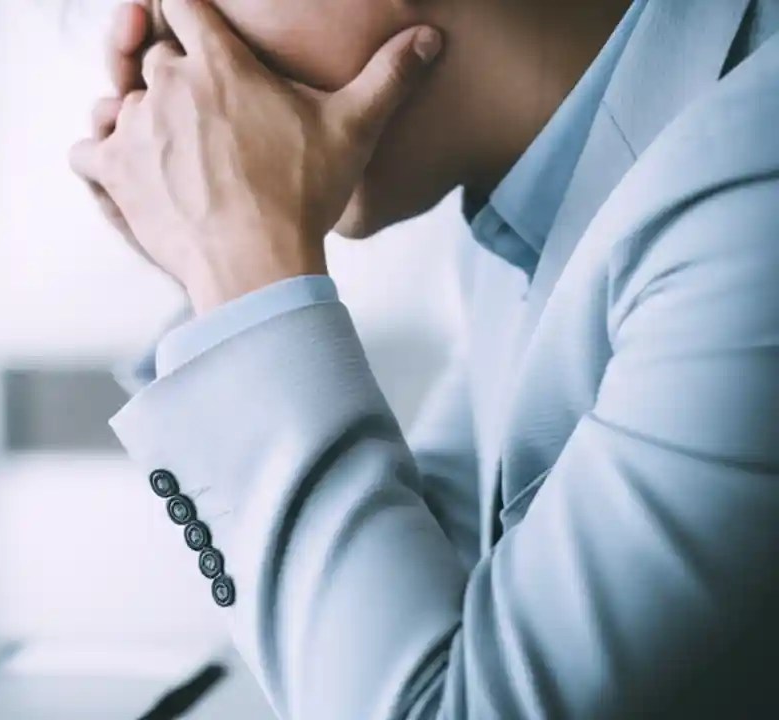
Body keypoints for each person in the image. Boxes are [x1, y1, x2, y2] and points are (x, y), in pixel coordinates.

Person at [69, 0, 779, 717]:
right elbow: (416, 597)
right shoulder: (528, 219)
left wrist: (243, 276)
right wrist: (218, 270)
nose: (162, 54)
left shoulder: (754, 192)